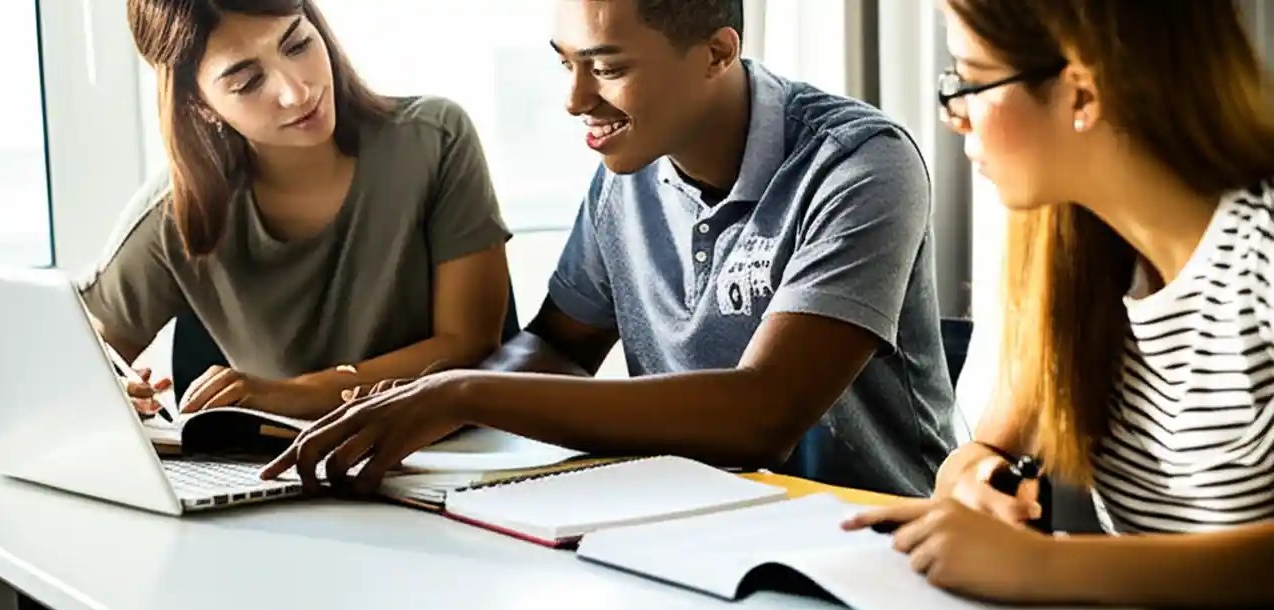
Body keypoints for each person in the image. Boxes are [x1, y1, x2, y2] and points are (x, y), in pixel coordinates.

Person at [263, 0, 956, 496]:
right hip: (686, 526)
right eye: (565, 62)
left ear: (717, 52)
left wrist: (466, 392)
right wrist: (423, 401)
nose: (573, 99)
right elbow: (560, 347)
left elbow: (763, 414)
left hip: (865, 543)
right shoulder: (626, 171)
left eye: (606, 67)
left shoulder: (859, 163)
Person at [845, 0, 1274, 609]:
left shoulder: (1260, 251)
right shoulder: (1072, 246)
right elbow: (984, 449)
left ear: (1080, 95)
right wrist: (976, 483)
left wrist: (1045, 565)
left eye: (972, 78)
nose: (955, 115)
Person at [81, 0, 511, 420]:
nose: (296, 91)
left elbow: (468, 343)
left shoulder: (434, 140)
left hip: (448, 461)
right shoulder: (171, 215)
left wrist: (295, 393)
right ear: (198, 104)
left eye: (298, 45)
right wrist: (114, 390)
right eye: (248, 81)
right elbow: (89, 358)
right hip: (279, 479)